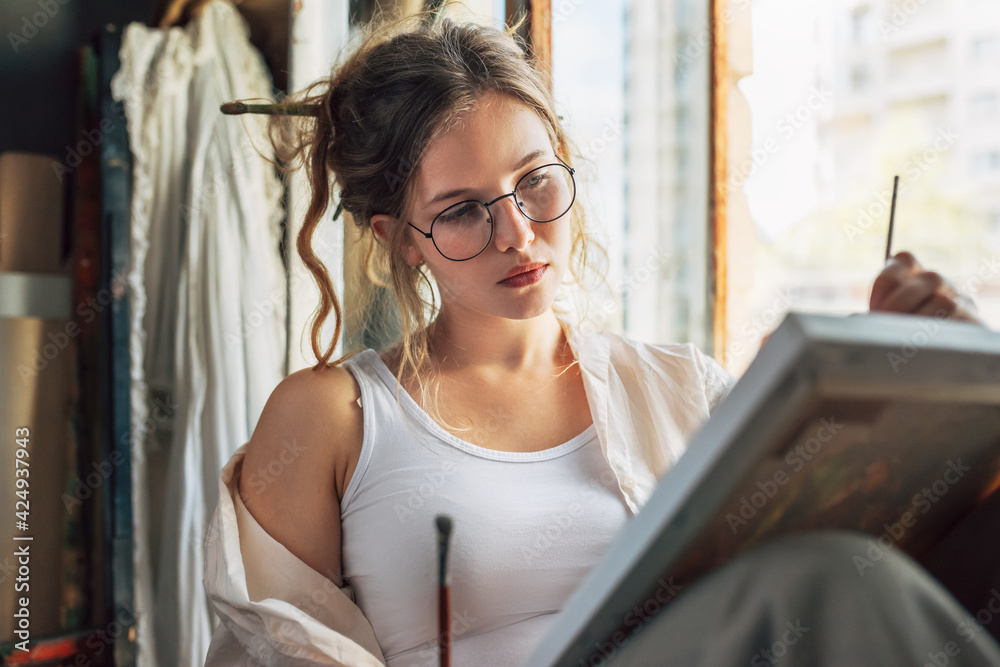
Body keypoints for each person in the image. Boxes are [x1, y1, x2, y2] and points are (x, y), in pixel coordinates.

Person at [202, 11, 1000, 667]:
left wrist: (933, 381)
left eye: (535, 181)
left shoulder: (681, 387)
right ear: (400, 236)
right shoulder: (331, 415)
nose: (517, 233)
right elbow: (261, 649)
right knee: (824, 581)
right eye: (461, 210)